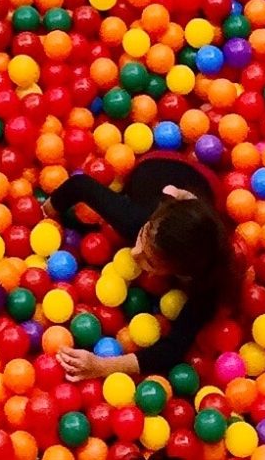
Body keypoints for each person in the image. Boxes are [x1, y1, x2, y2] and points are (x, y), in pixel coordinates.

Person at [45, 155, 246, 380]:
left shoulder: (208, 283)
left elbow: (172, 350)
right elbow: (78, 185)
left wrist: (101, 366)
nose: (134, 252)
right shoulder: (138, 221)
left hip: (205, 185)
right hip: (156, 161)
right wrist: (45, 215)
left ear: (183, 271)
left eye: (149, 260)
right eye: (142, 238)